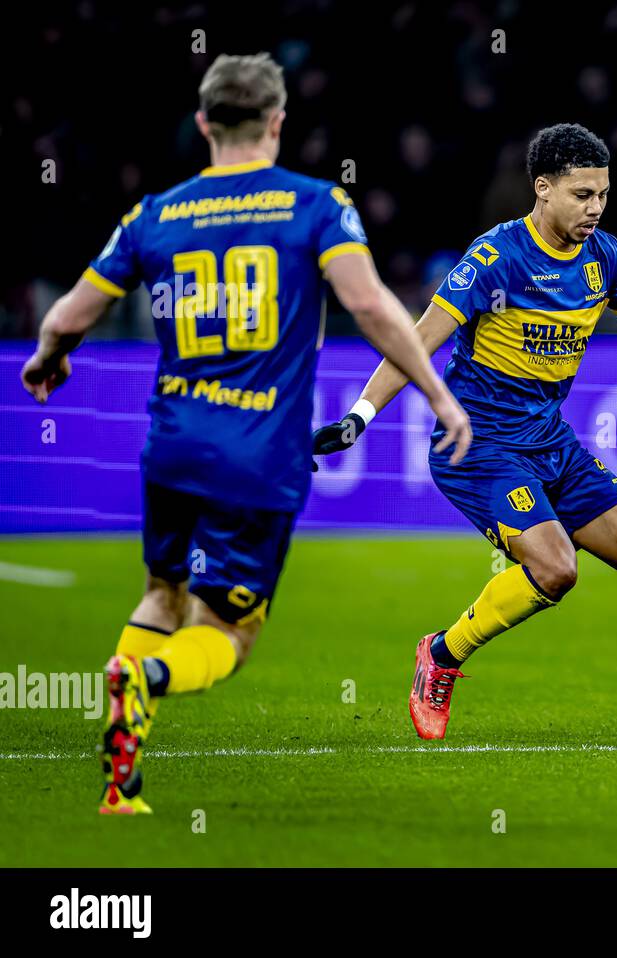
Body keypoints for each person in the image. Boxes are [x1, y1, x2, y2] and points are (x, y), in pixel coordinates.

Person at [20, 52, 470, 813]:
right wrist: (436, 394)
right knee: (228, 634)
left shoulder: (155, 214)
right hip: (258, 455)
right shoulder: (315, 205)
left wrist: (47, 358)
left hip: (172, 445)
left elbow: (68, 315)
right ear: (277, 120)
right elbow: (368, 305)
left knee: (161, 593)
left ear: (203, 123)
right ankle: (149, 677)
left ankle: (120, 774)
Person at [313, 123, 617, 739]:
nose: (595, 208)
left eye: (602, 194)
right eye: (582, 195)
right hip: (478, 446)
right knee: (556, 569)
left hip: (551, 445)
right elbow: (416, 343)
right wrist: (358, 417)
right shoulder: (496, 258)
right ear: (543, 188)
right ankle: (441, 654)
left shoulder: (604, 257)